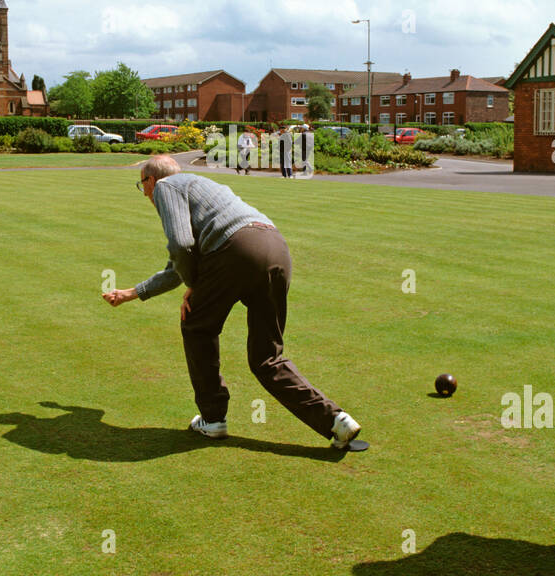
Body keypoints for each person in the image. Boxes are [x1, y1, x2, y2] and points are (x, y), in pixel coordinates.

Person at [101, 154, 362, 448]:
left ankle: (213, 419)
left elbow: (180, 244)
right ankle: (336, 421)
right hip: (275, 248)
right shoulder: (203, 187)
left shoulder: (167, 187)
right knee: (267, 358)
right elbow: (180, 262)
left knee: (197, 325)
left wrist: (196, 284)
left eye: (142, 186)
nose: (145, 193)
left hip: (236, 251)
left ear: (151, 180)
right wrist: (132, 293)